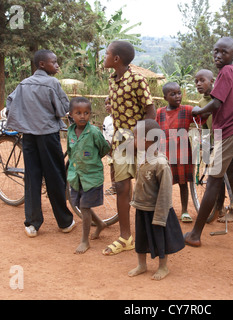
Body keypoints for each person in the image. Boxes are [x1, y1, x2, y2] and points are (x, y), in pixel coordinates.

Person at [184, 37, 233, 247]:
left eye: (223, 52)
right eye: (216, 51)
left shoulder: (226, 72)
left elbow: (216, 102)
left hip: (229, 130)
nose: (218, 56)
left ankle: (195, 234)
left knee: (213, 180)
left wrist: (199, 110)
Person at [6, 49, 75, 238]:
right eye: (54, 62)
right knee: (55, 177)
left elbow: (10, 101)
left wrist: (22, 118)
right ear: (42, 64)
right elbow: (62, 109)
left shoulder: (23, 83)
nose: (57, 65)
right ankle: (64, 222)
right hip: (47, 135)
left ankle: (32, 224)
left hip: (28, 136)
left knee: (32, 177)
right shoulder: (52, 83)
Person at [102, 40, 156, 256]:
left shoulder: (136, 79)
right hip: (119, 139)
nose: (104, 57)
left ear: (117, 59)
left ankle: (141, 236)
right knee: (122, 187)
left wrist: (137, 139)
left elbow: (151, 111)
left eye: (106, 54)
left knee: (142, 189)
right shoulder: (112, 79)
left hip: (136, 139)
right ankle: (126, 237)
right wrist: (112, 105)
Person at [128, 119, 185, 280]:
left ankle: (163, 267)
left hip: (158, 210)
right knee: (141, 238)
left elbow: (165, 191)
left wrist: (161, 215)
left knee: (161, 240)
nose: (133, 141)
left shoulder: (160, 163)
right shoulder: (144, 158)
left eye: (135, 137)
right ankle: (142, 265)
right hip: (142, 207)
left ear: (147, 140)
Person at [67, 97, 111, 254]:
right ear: (71, 114)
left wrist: (92, 159)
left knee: (85, 207)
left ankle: (84, 241)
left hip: (91, 177)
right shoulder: (71, 132)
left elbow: (104, 149)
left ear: (90, 114)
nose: (82, 116)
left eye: (86, 113)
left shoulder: (93, 132)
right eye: (78, 113)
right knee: (80, 204)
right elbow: (71, 153)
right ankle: (100, 223)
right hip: (76, 177)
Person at [156, 82, 202, 223]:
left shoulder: (187, 110)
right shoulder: (160, 112)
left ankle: (184, 210)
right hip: (165, 153)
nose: (177, 96)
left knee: (183, 183)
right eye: (173, 94)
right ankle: (167, 210)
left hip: (182, 152)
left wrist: (198, 109)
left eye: (179, 93)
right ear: (165, 97)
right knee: (165, 184)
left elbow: (200, 112)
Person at [103, 97, 116, 195]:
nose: (107, 106)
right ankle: (114, 187)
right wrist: (107, 146)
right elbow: (105, 133)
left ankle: (122, 188)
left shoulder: (120, 118)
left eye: (109, 103)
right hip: (109, 148)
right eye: (106, 104)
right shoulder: (106, 119)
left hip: (119, 148)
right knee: (112, 167)